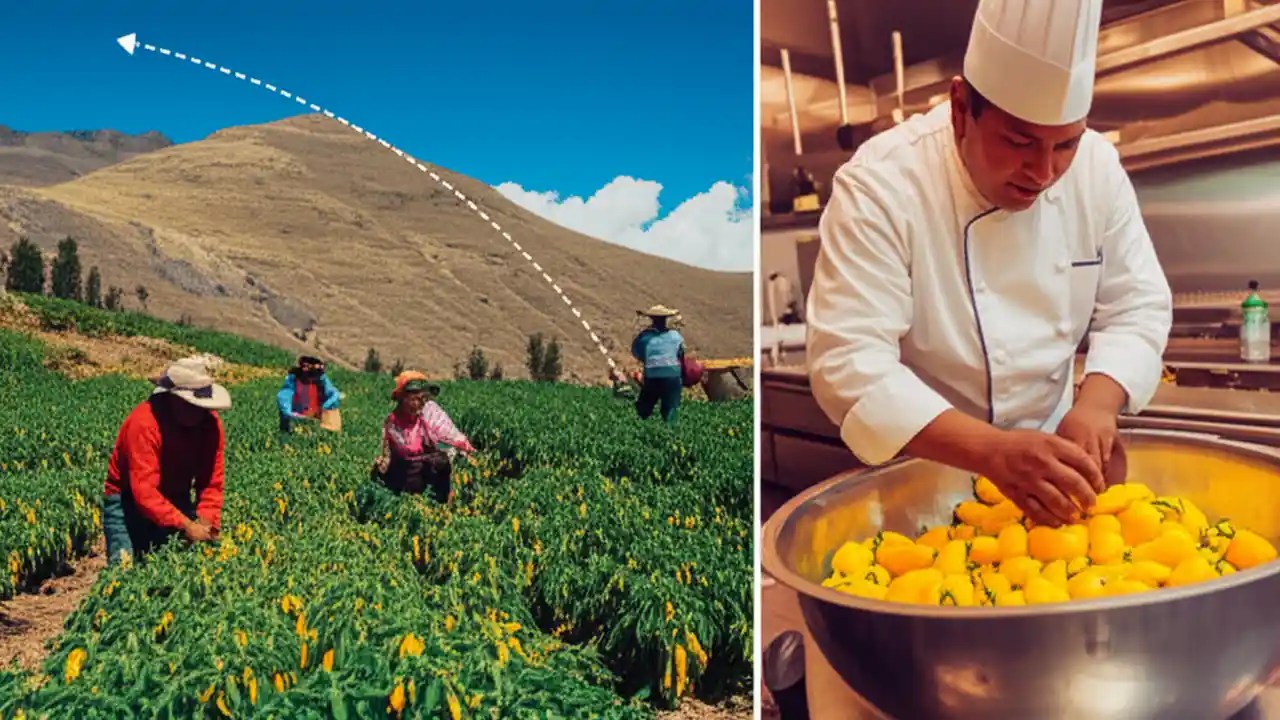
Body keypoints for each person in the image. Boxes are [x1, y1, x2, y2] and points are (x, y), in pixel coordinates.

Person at [806, 0, 1172, 528]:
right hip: (924, 472)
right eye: (1019, 142)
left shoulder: (1096, 167)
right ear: (961, 107)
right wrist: (992, 453)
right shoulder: (883, 184)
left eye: (1065, 144)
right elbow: (849, 362)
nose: (1044, 172)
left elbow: (1137, 304)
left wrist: (1095, 408)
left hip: (1053, 478)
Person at [102, 357, 229, 565]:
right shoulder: (144, 423)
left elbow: (211, 481)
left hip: (176, 497)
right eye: (192, 406)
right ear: (174, 399)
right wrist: (187, 525)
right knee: (123, 569)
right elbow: (144, 492)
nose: (199, 412)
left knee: (177, 566)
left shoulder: (209, 425)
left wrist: (206, 520)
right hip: (127, 501)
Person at [373, 372, 474, 502]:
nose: (421, 403)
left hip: (427, 476)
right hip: (403, 478)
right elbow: (403, 452)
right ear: (403, 399)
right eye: (416, 399)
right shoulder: (394, 422)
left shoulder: (429, 413)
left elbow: (447, 435)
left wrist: (456, 449)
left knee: (441, 461)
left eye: (424, 399)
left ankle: (440, 504)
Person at [630, 305, 687, 425]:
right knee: (670, 408)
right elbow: (680, 355)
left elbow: (636, 352)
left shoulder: (644, 337)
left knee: (644, 407)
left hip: (652, 375)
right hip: (672, 375)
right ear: (666, 320)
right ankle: (670, 429)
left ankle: (641, 425)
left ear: (652, 319)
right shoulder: (676, 336)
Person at [276, 355, 340, 433]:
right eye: (304, 365)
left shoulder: (321, 379)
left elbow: (332, 394)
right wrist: (289, 413)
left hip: (317, 418)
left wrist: (328, 404)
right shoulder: (293, 379)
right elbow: (284, 396)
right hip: (296, 416)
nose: (306, 368)